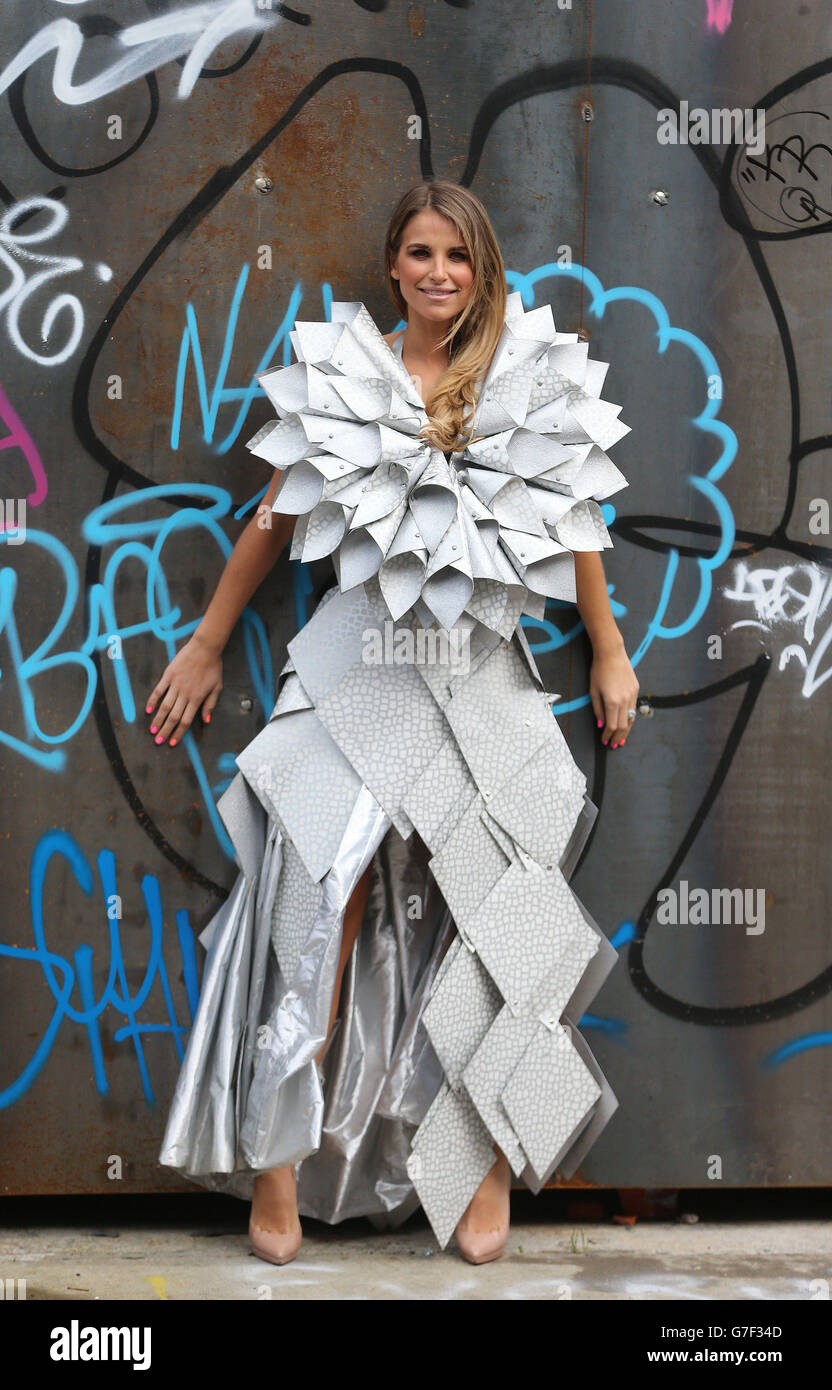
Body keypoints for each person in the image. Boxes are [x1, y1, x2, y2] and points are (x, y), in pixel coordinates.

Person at [154, 180, 639, 1265]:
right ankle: (275, 1169)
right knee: (312, 898)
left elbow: (578, 526)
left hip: (476, 672)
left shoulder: (525, 374)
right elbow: (271, 521)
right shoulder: (342, 375)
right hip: (358, 666)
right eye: (420, 253)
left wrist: (608, 650)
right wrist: (208, 639)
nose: (437, 274)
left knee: (505, 906)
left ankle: (484, 1167)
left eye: (457, 257)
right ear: (391, 265)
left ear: (482, 268)